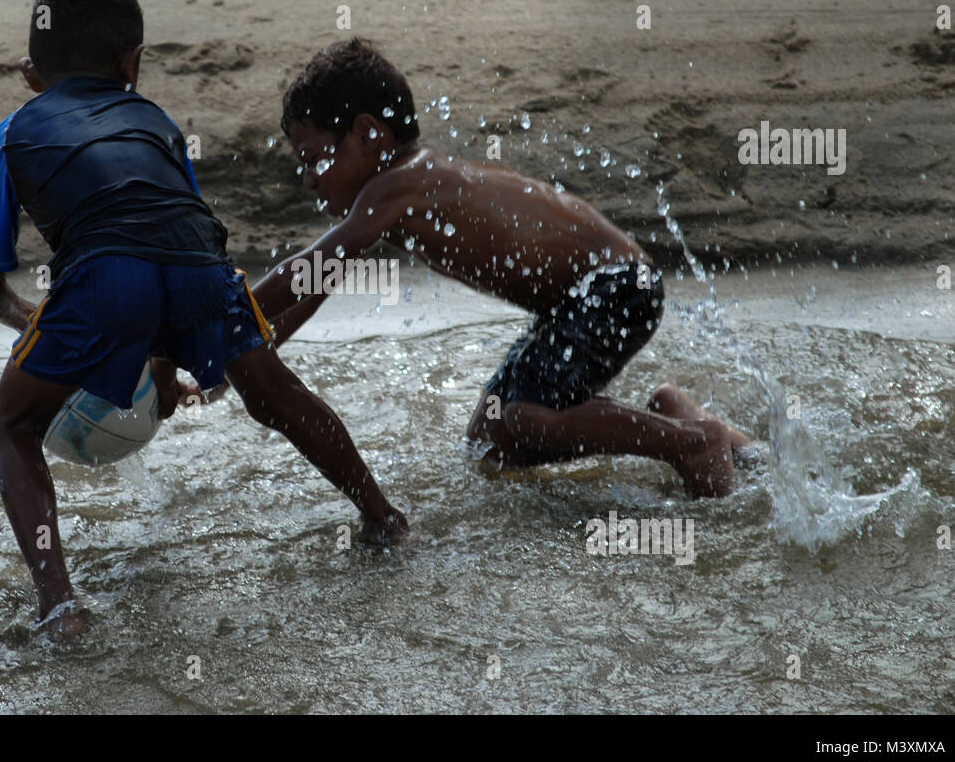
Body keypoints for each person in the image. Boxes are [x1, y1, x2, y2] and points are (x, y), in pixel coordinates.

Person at [0, 0, 407, 634]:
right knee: (275, 395)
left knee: (10, 421)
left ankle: (60, 608)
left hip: (103, 278)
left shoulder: (9, 136)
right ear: (132, 65)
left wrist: (39, 327)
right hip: (205, 273)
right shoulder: (159, 125)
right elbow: (181, 236)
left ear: (31, 74)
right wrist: (168, 372)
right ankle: (385, 519)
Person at [248, 38, 751, 499]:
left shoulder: (397, 185)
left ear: (367, 133)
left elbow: (308, 266)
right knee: (491, 442)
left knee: (528, 418)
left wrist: (230, 310)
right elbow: (315, 284)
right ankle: (673, 413)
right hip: (577, 299)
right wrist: (241, 351)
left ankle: (690, 443)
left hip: (616, 284)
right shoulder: (385, 200)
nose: (309, 181)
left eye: (313, 159)